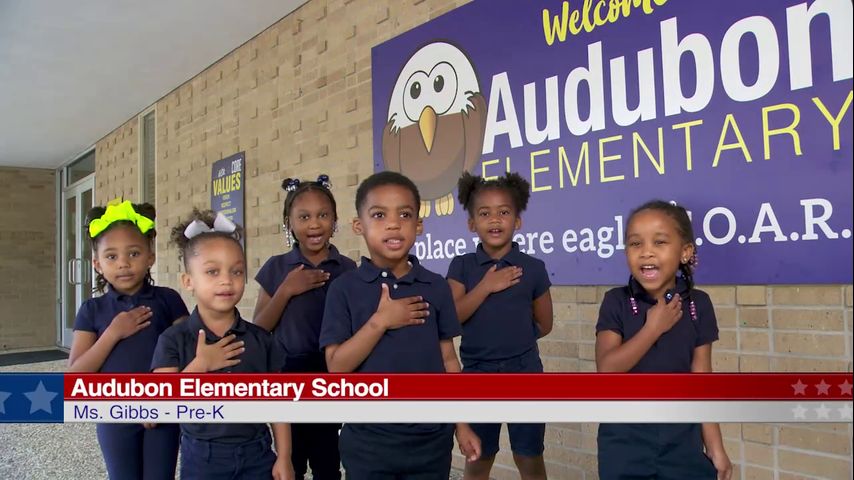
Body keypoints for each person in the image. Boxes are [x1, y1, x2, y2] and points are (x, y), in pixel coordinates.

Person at [319, 171, 481, 479]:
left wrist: (462, 424)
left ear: (418, 226)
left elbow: (449, 360)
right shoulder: (344, 289)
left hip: (431, 439)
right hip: (368, 441)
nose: (393, 223)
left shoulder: (435, 286)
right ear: (359, 226)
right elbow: (336, 367)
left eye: (405, 214)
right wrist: (380, 321)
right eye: (379, 215)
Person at [151, 209, 294, 480]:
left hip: (258, 454)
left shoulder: (261, 339)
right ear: (188, 281)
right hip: (203, 459)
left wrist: (284, 457)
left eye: (236, 271)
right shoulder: (174, 339)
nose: (226, 280)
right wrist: (199, 366)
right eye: (212, 271)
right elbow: (156, 410)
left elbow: (279, 402)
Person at [595, 200, 732, 480]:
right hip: (624, 442)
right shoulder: (616, 302)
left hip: (682, 441)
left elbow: (702, 378)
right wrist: (653, 328)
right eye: (635, 244)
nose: (646, 252)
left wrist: (715, 446)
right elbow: (607, 369)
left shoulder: (698, 304)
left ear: (685, 252)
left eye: (659, 242)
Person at [67, 200, 187, 479]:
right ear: (97, 264)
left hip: (161, 410)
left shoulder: (168, 299)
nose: (123, 263)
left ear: (150, 257)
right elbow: (75, 375)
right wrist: (112, 333)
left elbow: (186, 352)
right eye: (111, 257)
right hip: (113, 413)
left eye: (133, 253)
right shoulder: (91, 310)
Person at [446, 172, 553, 480]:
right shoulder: (462, 266)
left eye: (504, 212)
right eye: (484, 213)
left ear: (517, 221)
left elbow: (544, 324)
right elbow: (451, 318)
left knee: (529, 456)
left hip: (525, 372)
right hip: (477, 373)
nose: (495, 220)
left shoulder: (533, 268)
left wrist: (516, 338)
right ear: (471, 224)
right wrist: (486, 286)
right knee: (479, 457)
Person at [253, 174, 355, 480]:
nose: (314, 224)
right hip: (288, 375)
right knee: (291, 461)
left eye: (323, 215)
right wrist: (286, 289)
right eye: (304, 217)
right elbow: (258, 329)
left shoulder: (348, 269)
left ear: (335, 220)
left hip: (330, 375)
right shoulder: (276, 266)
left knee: (327, 461)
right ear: (289, 222)